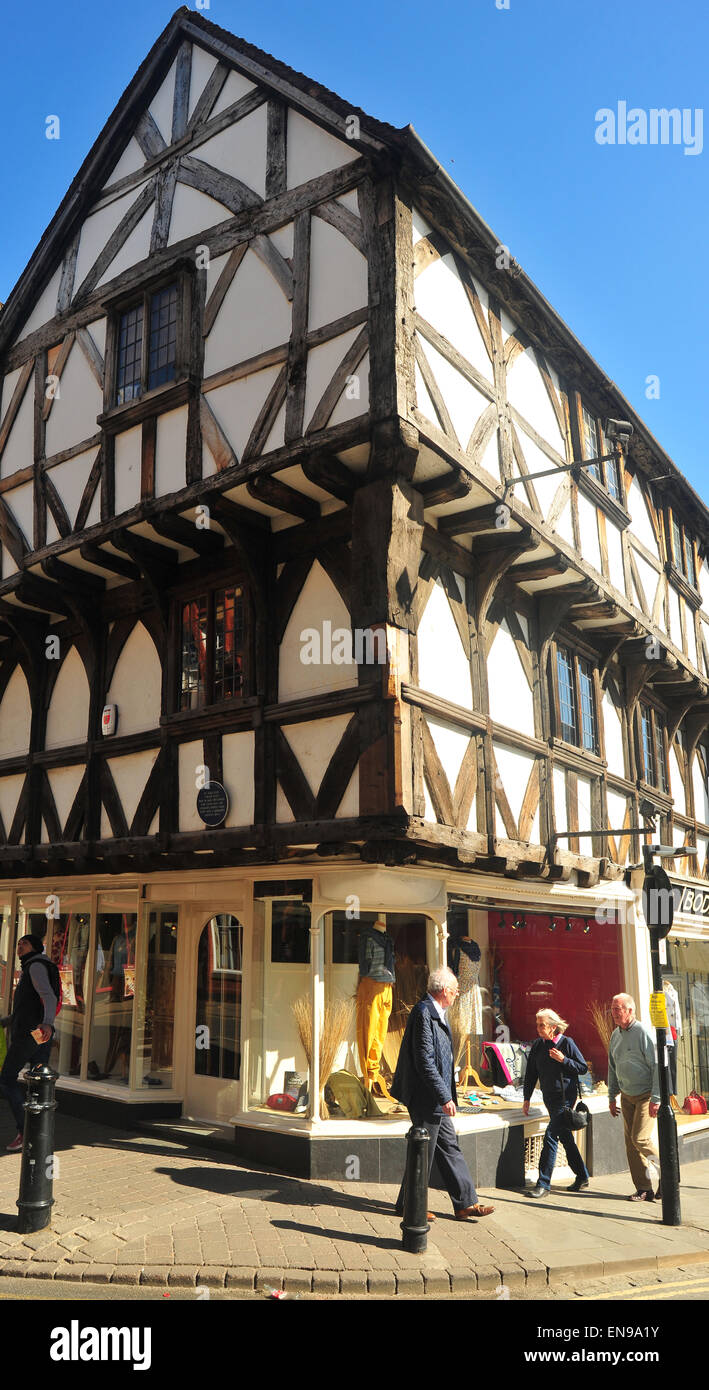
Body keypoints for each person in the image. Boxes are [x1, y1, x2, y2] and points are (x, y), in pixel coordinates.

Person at [391, 966, 495, 1222]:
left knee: (448, 1147)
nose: (457, 995)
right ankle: (410, 1206)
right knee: (423, 1152)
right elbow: (424, 1061)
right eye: (456, 991)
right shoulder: (424, 1012)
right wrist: (444, 1096)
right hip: (426, 1097)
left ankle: (465, 1204)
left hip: (435, 1097)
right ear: (446, 991)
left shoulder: (436, 1012)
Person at [522, 1008, 589, 1198]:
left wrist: (564, 1060)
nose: (538, 1028)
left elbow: (582, 1067)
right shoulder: (538, 1046)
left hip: (565, 1099)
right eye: (537, 1024)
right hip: (549, 1098)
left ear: (553, 1027)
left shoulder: (567, 1043)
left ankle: (543, 1184)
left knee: (550, 1136)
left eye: (541, 1025)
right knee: (565, 1137)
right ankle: (582, 1175)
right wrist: (526, 1098)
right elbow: (531, 1074)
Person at [0, 935, 57, 1151]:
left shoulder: (35, 966)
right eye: (18, 943)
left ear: (35, 947)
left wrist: (48, 1023)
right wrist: (6, 1022)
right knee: (38, 1083)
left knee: (6, 1078)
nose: (19, 946)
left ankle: (25, 1131)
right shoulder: (34, 966)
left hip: (31, 1034)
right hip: (39, 1033)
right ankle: (38, 1133)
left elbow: (48, 997)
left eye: (24, 943)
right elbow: (29, 1006)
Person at [607, 993, 660, 1201]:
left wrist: (656, 1097)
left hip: (646, 1095)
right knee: (631, 1145)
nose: (614, 1013)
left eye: (617, 1009)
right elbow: (612, 1067)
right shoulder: (615, 1035)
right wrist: (612, 1096)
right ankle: (644, 1188)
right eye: (612, 1009)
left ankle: (668, 1174)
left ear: (630, 1010)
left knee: (640, 1139)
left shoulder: (643, 1032)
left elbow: (656, 1066)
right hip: (626, 1096)